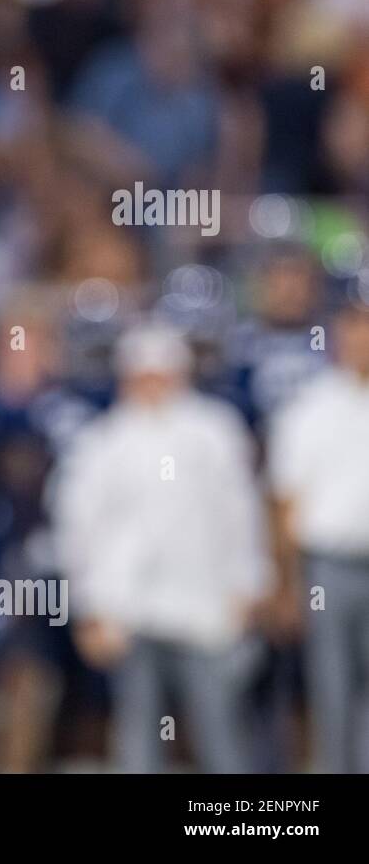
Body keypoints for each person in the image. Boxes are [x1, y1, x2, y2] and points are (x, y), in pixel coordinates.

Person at [52, 321, 273, 772]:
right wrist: (88, 606)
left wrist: (249, 581)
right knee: (138, 730)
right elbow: (77, 528)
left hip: (204, 605)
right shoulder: (102, 442)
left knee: (219, 726)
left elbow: (240, 512)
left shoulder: (214, 430)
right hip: (130, 609)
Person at [268, 295, 369, 772]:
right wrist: (288, 583)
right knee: (331, 689)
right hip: (328, 566)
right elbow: (285, 501)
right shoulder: (310, 406)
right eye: (353, 325)